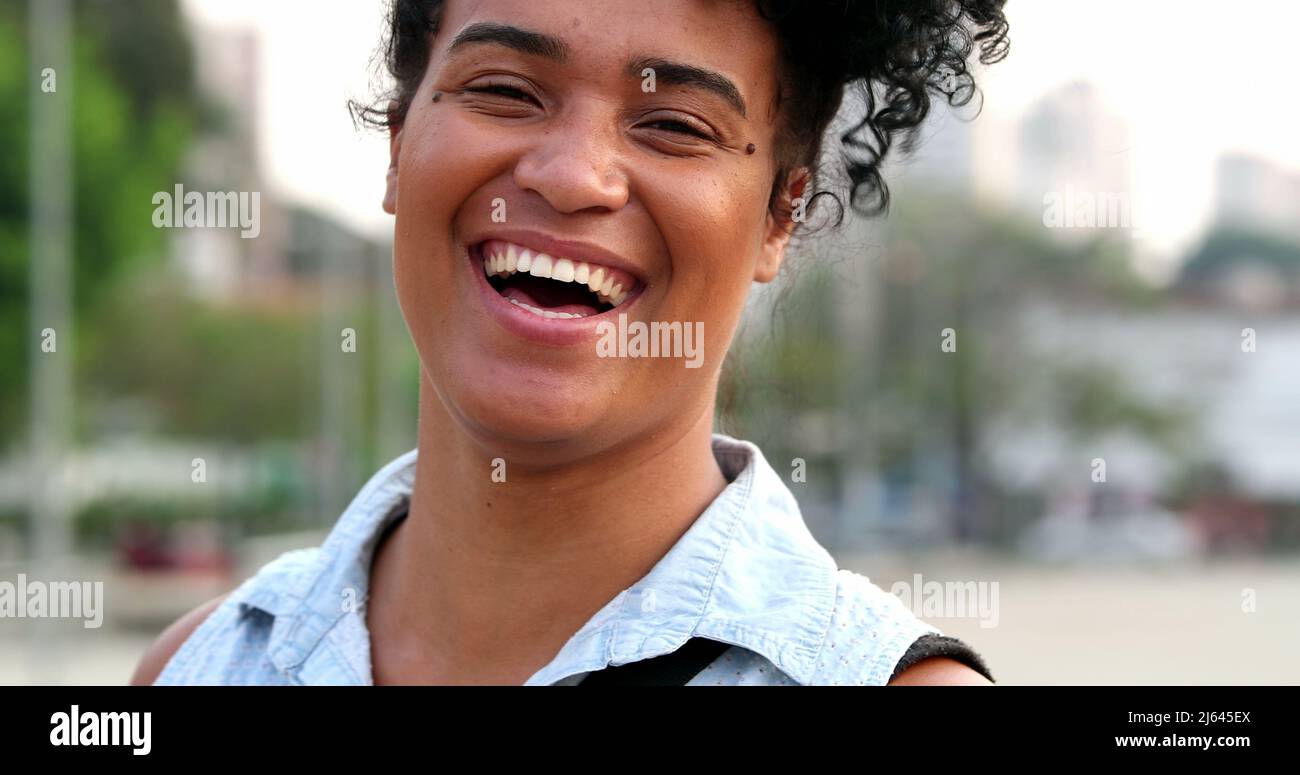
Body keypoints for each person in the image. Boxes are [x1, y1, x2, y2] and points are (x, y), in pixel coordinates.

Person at [133, 0, 1009, 686]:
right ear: (399, 144)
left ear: (780, 213)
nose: (570, 174)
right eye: (505, 91)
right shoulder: (195, 666)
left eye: (674, 125)